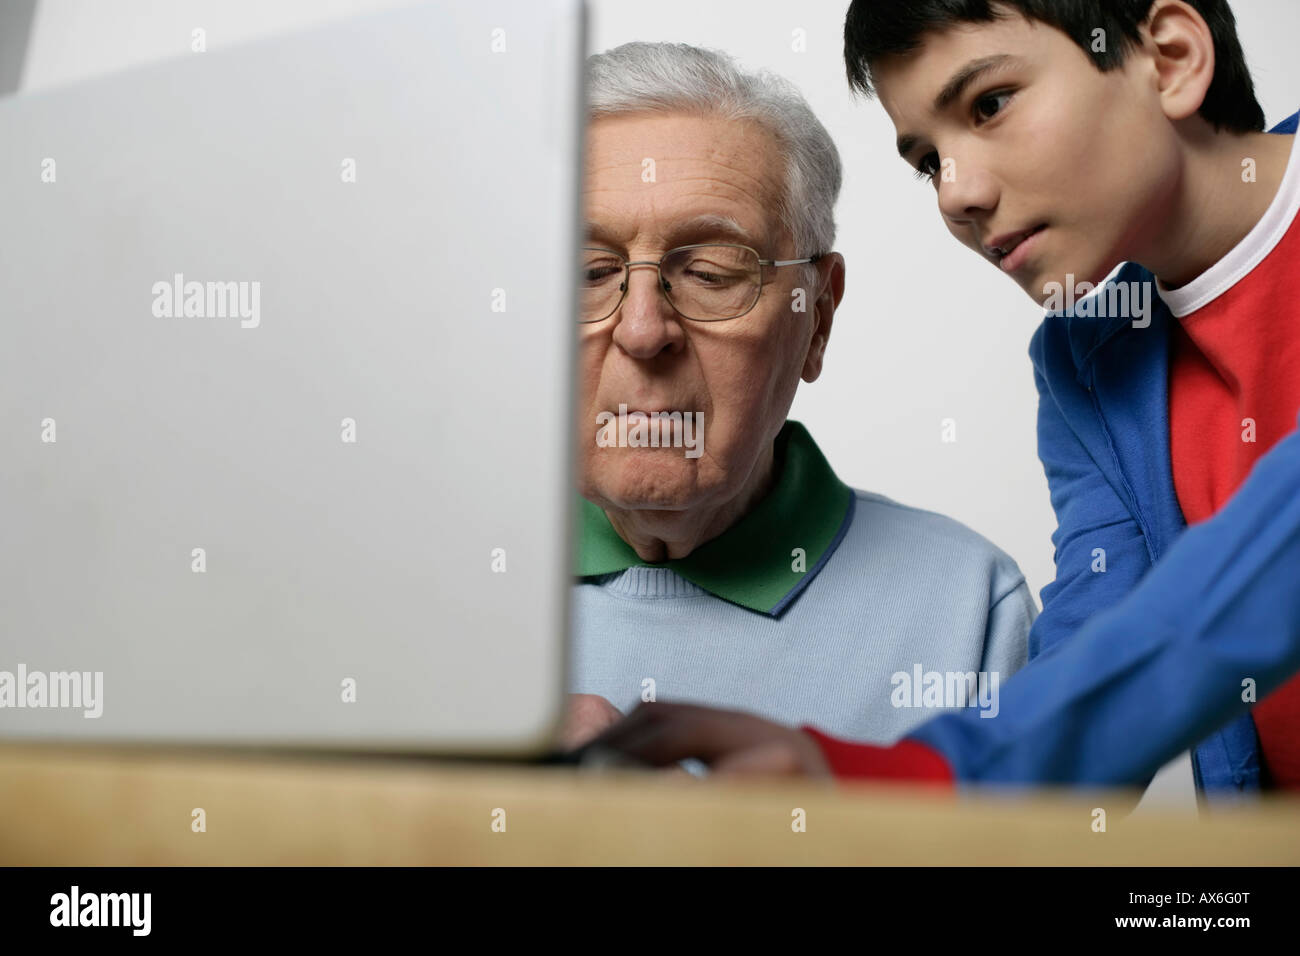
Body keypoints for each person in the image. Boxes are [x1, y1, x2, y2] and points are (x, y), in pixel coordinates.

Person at [581, 1, 1300, 800]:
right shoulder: (1086, 361)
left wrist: (910, 772)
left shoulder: (962, 595)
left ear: (1169, 58)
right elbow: (1098, 650)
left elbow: (1269, 565)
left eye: (989, 104)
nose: (954, 194)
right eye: (927, 159)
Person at [560, 42, 1033, 751]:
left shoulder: (969, 607)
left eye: (712, 273)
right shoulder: (422, 585)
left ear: (818, 317)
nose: (643, 329)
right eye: (591, 272)